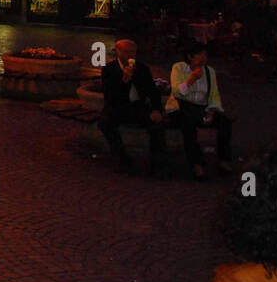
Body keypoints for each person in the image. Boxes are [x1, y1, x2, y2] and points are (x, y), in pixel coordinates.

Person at [99, 39, 168, 175]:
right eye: (126, 52)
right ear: (118, 52)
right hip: (117, 107)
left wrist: (156, 110)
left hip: (137, 106)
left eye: (133, 52)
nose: (130, 55)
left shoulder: (142, 68)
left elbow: (152, 92)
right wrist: (124, 81)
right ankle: (122, 159)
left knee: (157, 126)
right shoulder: (109, 69)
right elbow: (110, 96)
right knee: (105, 123)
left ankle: (158, 164)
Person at [166, 42, 233, 180]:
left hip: (200, 109)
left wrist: (212, 110)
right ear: (190, 57)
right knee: (188, 125)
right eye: (199, 55)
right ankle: (196, 163)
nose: (203, 58)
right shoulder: (178, 68)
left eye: (205, 54)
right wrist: (192, 79)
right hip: (180, 108)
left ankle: (223, 159)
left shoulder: (209, 71)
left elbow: (214, 94)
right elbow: (178, 92)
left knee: (224, 122)